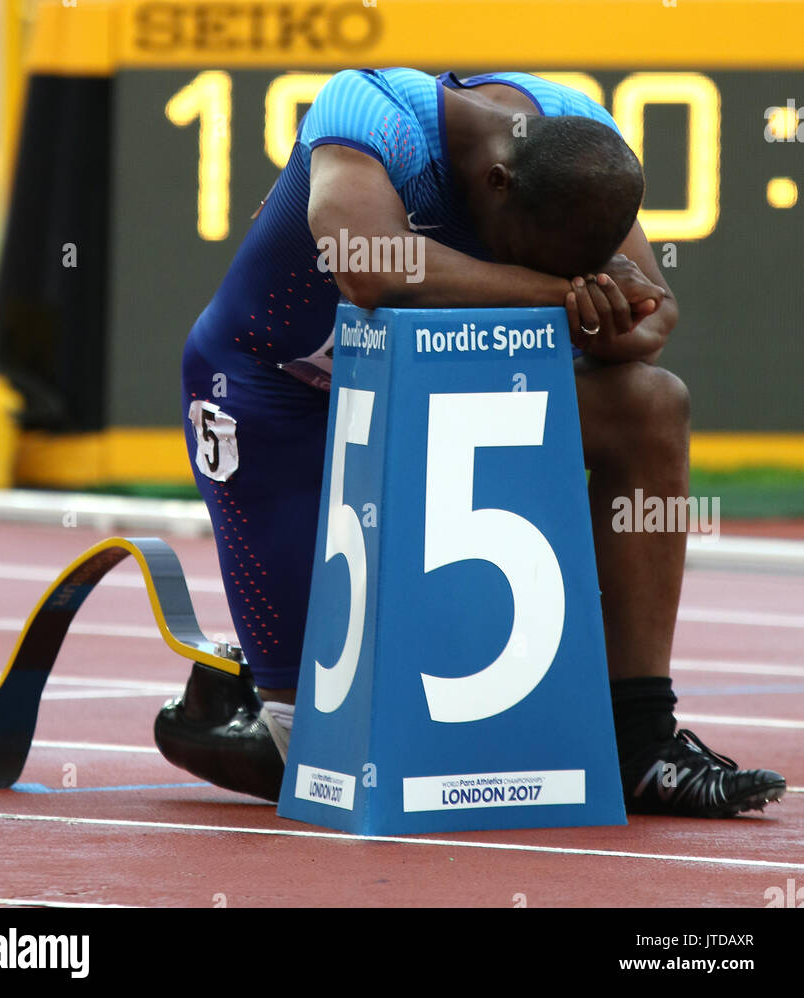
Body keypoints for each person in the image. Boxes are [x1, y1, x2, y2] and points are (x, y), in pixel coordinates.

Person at [155, 65, 786, 818]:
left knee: (652, 405)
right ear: (494, 184)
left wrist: (613, 318)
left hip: (439, 384)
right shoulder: (371, 114)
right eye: (529, 254)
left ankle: (639, 741)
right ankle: (215, 703)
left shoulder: (580, 139)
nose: (547, 274)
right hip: (275, 392)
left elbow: (656, 313)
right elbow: (366, 268)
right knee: (305, 757)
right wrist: (564, 297)